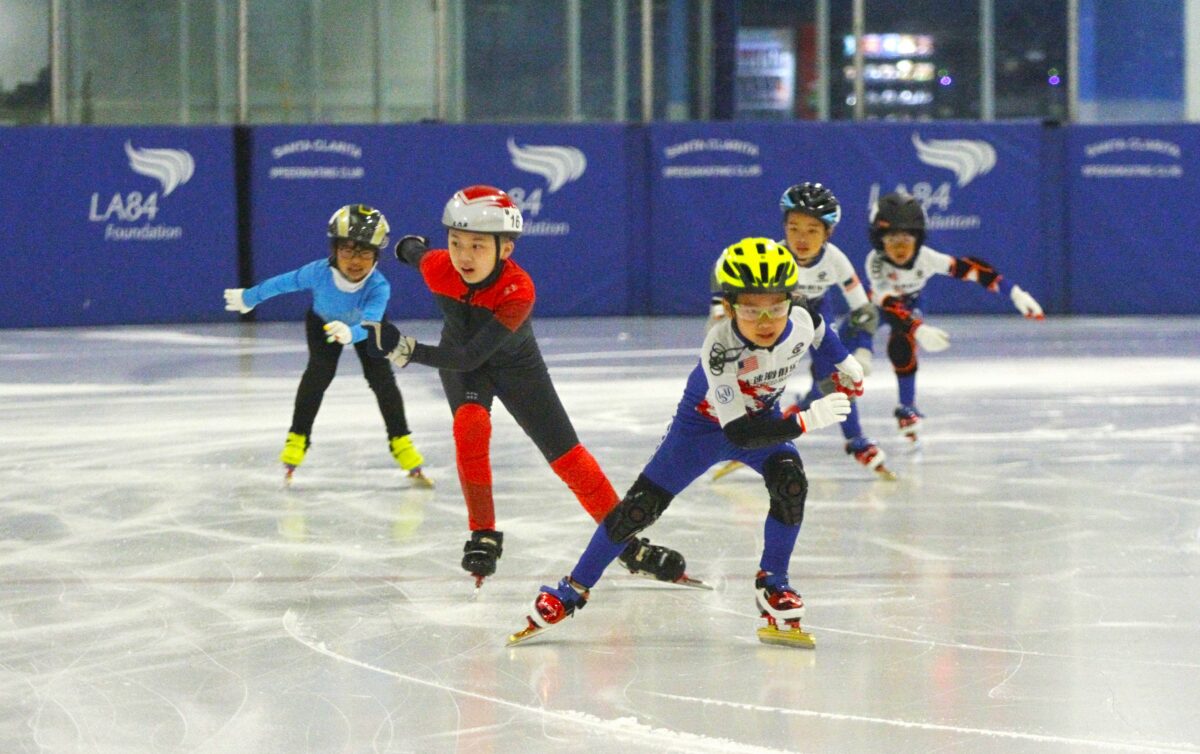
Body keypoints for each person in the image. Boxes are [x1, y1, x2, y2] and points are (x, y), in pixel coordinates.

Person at [509, 238, 864, 647]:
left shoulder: (801, 317)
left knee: (790, 484)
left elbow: (822, 332)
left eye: (776, 307)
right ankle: (572, 588)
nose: (766, 320)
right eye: (750, 309)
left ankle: (773, 585)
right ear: (729, 307)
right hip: (701, 431)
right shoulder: (720, 345)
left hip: (762, 420)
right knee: (637, 511)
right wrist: (806, 420)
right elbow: (740, 435)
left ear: (792, 299)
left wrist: (847, 363)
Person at [363, 185, 687, 588]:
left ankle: (626, 543)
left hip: (513, 366)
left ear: (506, 249)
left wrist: (405, 350)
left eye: (478, 245)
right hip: (462, 364)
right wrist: (408, 247)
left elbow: (470, 356)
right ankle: (483, 533)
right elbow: (416, 254)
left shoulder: (519, 290)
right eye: (456, 242)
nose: (463, 255)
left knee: (568, 456)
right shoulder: (439, 266)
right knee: (470, 427)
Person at [222, 204, 430, 486]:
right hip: (322, 324)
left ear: (377, 255)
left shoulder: (379, 287)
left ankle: (402, 443)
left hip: (366, 329)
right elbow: (281, 284)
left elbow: (371, 324)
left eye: (365, 252)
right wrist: (250, 297)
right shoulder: (317, 272)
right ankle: (297, 439)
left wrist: (351, 333)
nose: (355, 261)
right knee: (318, 374)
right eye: (347, 250)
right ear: (334, 250)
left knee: (382, 379)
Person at [865, 191, 1044, 444]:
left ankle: (906, 408)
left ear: (919, 238)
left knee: (902, 345)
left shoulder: (927, 259)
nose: (900, 247)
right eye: (892, 238)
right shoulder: (876, 263)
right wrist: (918, 328)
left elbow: (971, 269)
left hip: (911, 302)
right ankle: (812, 397)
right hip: (880, 304)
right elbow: (887, 303)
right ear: (878, 240)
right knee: (847, 341)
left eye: (907, 237)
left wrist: (1015, 293)